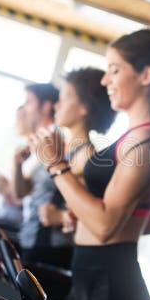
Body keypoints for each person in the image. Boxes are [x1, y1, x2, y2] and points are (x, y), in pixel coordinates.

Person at [30, 29, 150, 300]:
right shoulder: (133, 138)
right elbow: (105, 215)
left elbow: (105, 226)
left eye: (114, 70)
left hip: (109, 289)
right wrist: (78, 217)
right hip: (91, 276)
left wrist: (56, 165)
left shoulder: (147, 143)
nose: (106, 81)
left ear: (146, 76)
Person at [36, 67, 117, 238]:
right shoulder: (58, 147)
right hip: (32, 237)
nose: (56, 105)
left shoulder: (87, 156)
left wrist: (60, 217)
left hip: (52, 248)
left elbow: (87, 214)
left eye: (64, 99)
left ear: (84, 107)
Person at [12, 82, 74, 268]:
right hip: (31, 236)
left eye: (29, 102)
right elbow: (22, 192)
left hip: (47, 244)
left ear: (46, 106)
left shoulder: (56, 142)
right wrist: (17, 165)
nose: (24, 108)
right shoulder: (38, 142)